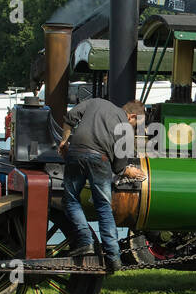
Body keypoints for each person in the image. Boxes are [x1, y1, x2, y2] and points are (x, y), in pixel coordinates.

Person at [58, 98, 146, 273]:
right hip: (101, 159)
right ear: (132, 116)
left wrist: (64, 141)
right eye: (136, 124)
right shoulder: (126, 129)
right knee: (103, 207)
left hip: (77, 152)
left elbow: (70, 117)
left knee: (70, 200)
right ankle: (113, 258)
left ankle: (86, 241)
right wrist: (129, 172)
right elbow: (119, 167)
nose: (134, 128)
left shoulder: (96, 102)